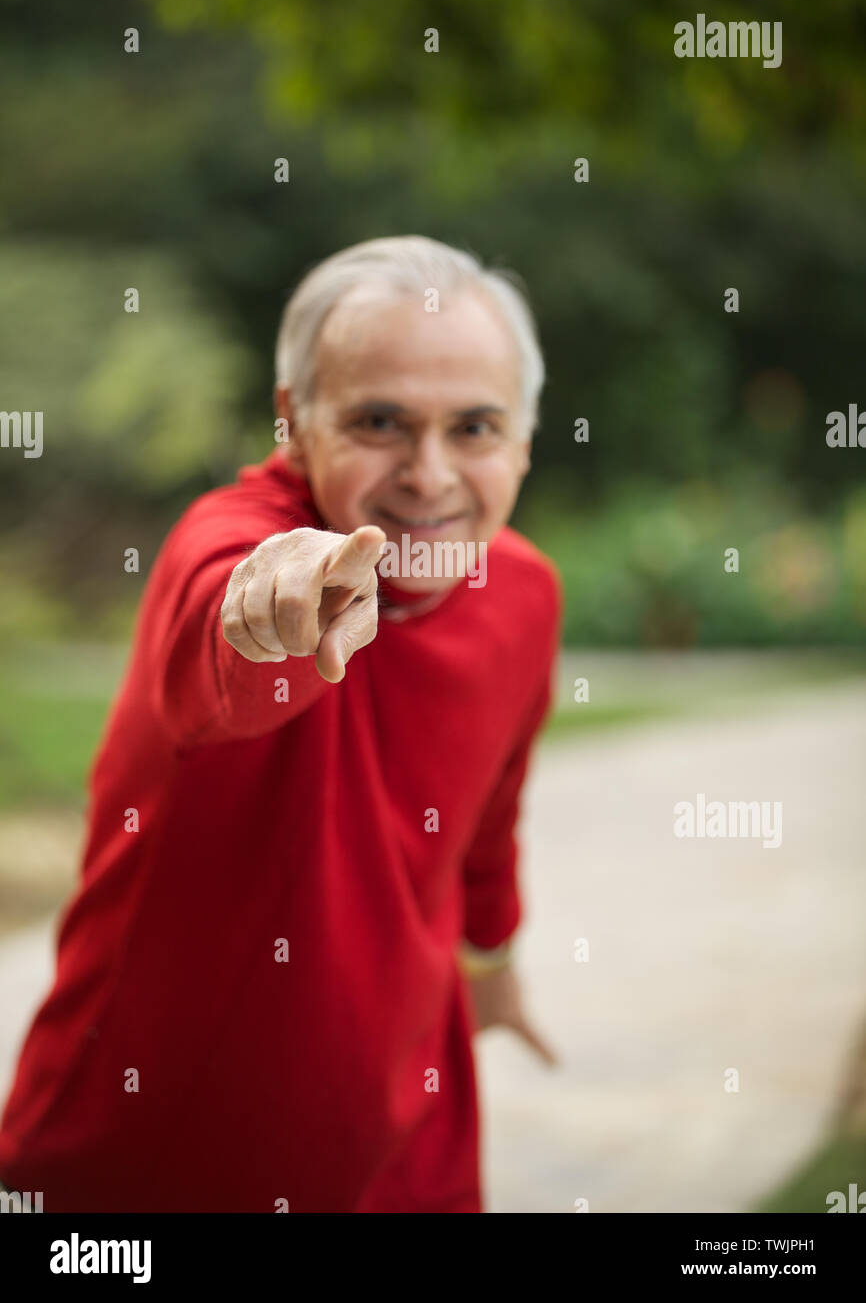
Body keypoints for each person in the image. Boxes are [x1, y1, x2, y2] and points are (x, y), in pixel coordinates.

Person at [0, 235, 562, 1213]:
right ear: (293, 423)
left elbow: (483, 817)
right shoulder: (225, 546)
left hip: (409, 1146)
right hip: (154, 1157)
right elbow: (225, 631)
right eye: (379, 421)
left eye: (474, 427)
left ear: (523, 438)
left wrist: (493, 959)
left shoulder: (523, 590)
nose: (428, 475)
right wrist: (275, 603)